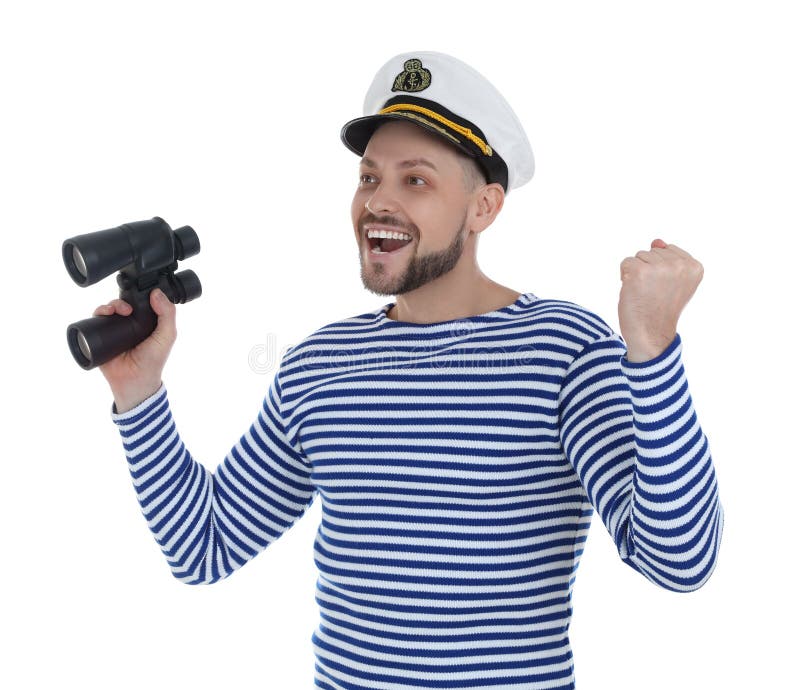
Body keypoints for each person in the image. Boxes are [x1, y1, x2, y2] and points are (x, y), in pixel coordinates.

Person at [96, 52, 724, 690]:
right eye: (369, 179)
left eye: (415, 180)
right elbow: (205, 547)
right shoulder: (320, 366)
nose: (378, 203)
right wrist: (139, 393)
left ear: (483, 207)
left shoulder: (564, 352)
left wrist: (652, 351)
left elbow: (680, 560)